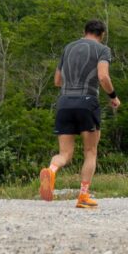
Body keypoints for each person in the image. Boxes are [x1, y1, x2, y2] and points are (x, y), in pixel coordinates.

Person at [38, 20, 121, 208]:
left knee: (64, 154)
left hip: (64, 102)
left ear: (84, 31)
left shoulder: (68, 48)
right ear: (102, 34)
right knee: (90, 152)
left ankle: (51, 170)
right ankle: (83, 196)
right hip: (87, 102)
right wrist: (113, 97)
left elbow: (57, 81)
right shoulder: (102, 50)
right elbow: (103, 76)